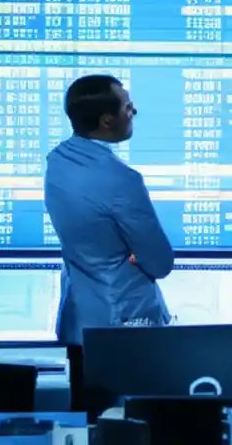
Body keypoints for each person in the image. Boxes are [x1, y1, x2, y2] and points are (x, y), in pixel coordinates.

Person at [44, 74, 174, 411]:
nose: (134, 111)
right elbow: (159, 262)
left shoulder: (56, 163)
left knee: (89, 421)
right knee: (129, 426)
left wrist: (127, 252)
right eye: (128, 107)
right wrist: (131, 256)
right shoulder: (122, 181)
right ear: (106, 121)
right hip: (127, 328)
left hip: (79, 322)